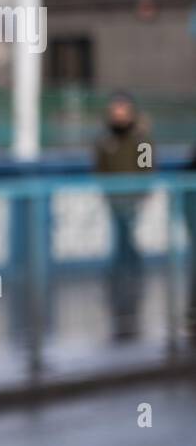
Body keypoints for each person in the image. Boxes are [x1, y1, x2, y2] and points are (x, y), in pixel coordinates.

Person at [92, 92, 153, 340]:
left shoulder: (141, 139)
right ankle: (121, 283)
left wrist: (141, 193)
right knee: (121, 239)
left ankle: (131, 280)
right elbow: (100, 168)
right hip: (114, 198)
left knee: (126, 238)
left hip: (132, 198)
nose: (119, 114)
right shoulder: (105, 139)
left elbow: (146, 166)